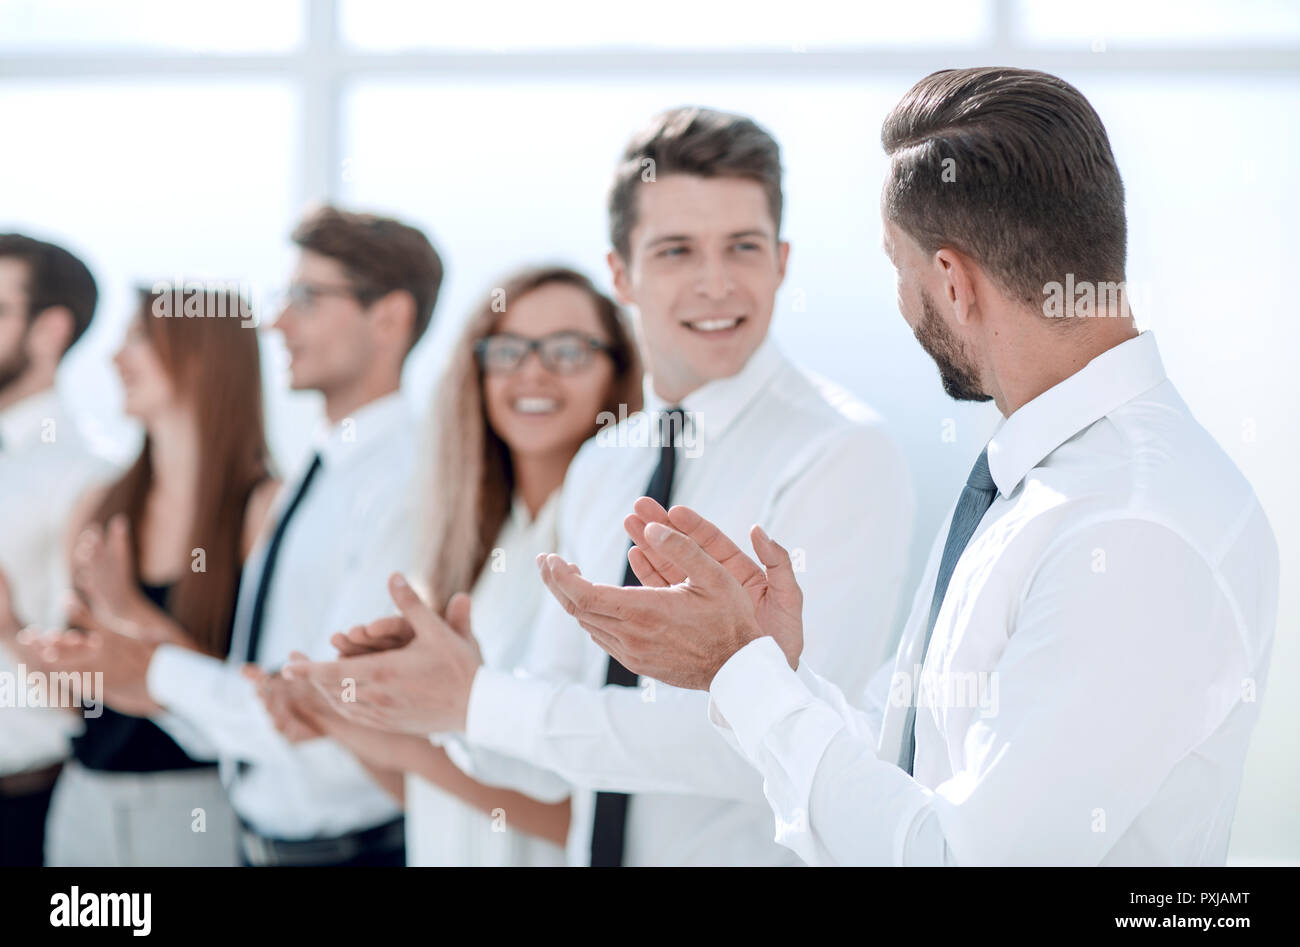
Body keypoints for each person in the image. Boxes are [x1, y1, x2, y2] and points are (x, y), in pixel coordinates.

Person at [532, 68, 1280, 866]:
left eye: (899, 266)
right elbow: (912, 774)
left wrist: (735, 669)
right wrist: (770, 667)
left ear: (953, 283)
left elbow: (955, 859)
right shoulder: (1035, 484)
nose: (900, 302)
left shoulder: (1130, 527)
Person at [285, 107, 916, 866]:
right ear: (622, 273)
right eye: (677, 250)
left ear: (781, 261)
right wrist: (452, 687)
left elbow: (776, 747)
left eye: (742, 247)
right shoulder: (606, 464)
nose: (716, 283)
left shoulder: (842, 453)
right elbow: (545, 770)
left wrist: (483, 701)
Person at [47, 207, 445, 867]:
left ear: (390, 318)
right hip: (262, 842)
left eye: (307, 299)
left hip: (347, 850)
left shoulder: (400, 484)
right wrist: (144, 677)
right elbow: (257, 693)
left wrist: (149, 667)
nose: (275, 322)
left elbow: (319, 707)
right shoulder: (320, 477)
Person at [261, 266, 643, 865]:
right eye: (508, 351)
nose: (534, 371)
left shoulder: (626, 548)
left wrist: (417, 736)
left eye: (568, 350)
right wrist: (349, 718)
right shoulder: (476, 546)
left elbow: (586, 813)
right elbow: (433, 798)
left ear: (616, 371)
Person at [30, 283, 279, 866]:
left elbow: (253, 701)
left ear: (200, 355)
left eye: (138, 339)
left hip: (199, 806)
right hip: (84, 800)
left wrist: (128, 613)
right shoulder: (100, 504)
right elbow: (74, 699)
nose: (116, 359)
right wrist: (12, 625)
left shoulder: (261, 510)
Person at [0, 233, 110, 866]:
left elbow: (95, 686)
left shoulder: (86, 477)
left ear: (51, 329)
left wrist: (7, 624)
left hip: (26, 811)